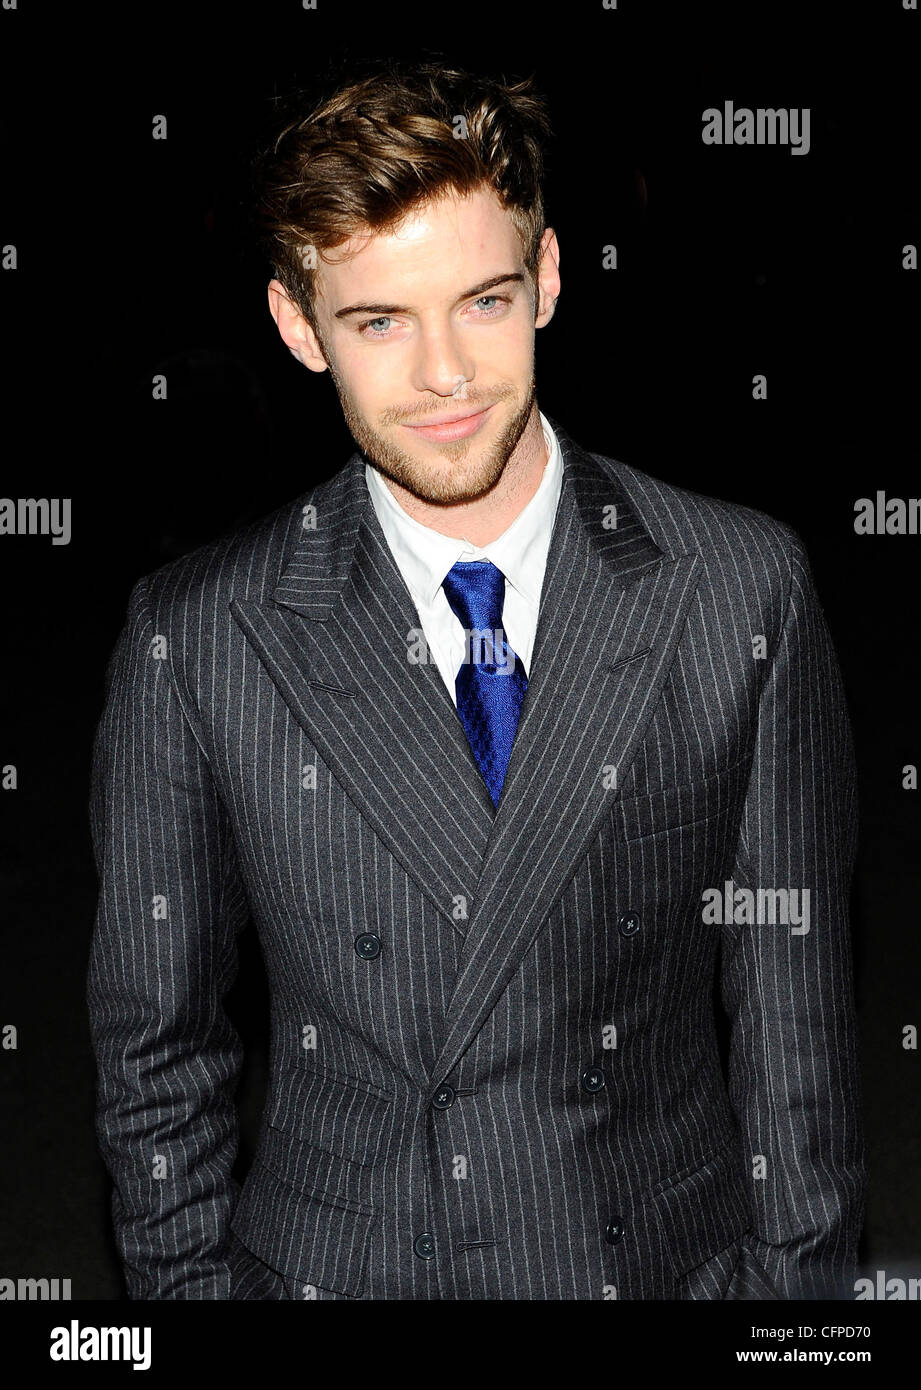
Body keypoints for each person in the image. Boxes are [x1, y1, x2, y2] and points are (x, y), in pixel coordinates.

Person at [87, 59, 866, 1300]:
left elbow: (796, 1024)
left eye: (484, 302)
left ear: (549, 278)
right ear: (298, 328)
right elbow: (154, 1050)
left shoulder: (739, 587)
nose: (444, 376)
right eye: (379, 321)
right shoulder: (199, 638)